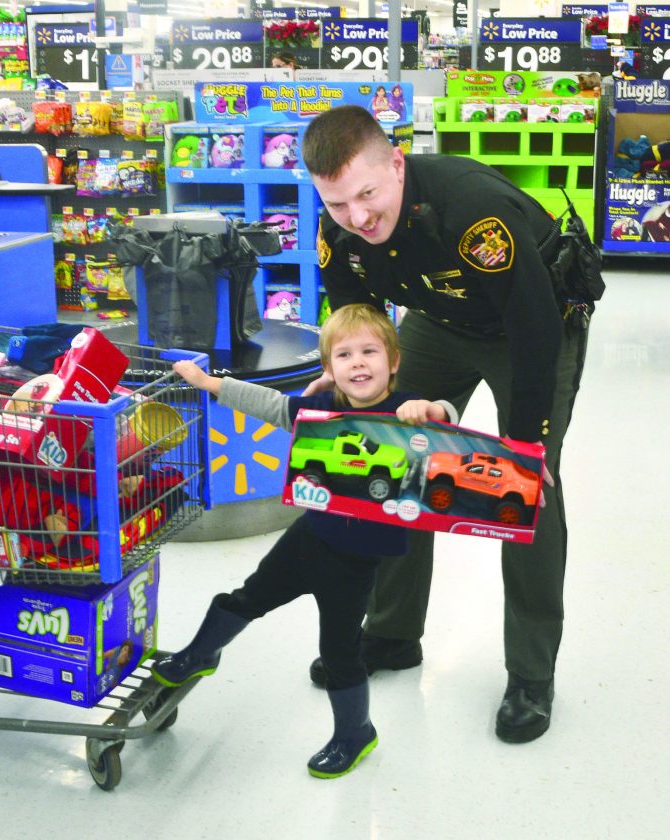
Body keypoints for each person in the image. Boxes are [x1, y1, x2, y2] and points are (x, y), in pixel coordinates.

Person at [301, 104, 595, 744]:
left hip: (535, 324)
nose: (357, 218)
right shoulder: (339, 230)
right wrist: (354, 378)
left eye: (368, 195)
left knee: (527, 491)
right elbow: (355, 315)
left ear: (397, 165)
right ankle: (394, 632)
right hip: (438, 322)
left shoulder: (471, 211)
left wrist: (524, 442)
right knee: (396, 457)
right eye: (337, 204)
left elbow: (536, 326)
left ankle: (531, 674)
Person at [153, 303, 457, 778]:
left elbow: (447, 429)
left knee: (339, 653)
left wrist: (433, 408)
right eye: (344, 355)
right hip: (308, 538)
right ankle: (200, 654)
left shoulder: (408, 414)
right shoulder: (325, 408)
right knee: (246, 596)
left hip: (354, 564)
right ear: (329, 369)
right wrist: (209, 383)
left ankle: (355, 734)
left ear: (393, 361)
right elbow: (271, 404)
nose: (358, 362)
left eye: (370, 352)